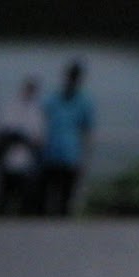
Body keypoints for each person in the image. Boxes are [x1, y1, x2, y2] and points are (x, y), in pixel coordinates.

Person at [39, 61, 96, 216]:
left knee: (65, 202)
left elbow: (87, 132)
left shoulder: (85, 102)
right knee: (45, 201)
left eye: (75, 77)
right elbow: (40, 124)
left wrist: (85, 159)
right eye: (71, 76)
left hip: (71, 157)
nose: (72, 79)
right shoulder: (52, 99)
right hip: (49, 155)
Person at [0, 76, 44, 215]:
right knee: (3, 199)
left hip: (26, 162)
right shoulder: (11, 107)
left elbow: (38, 138)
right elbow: (5, 132)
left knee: (24, 201)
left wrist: (24, 138)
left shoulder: (36, 110)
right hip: (9, 160)